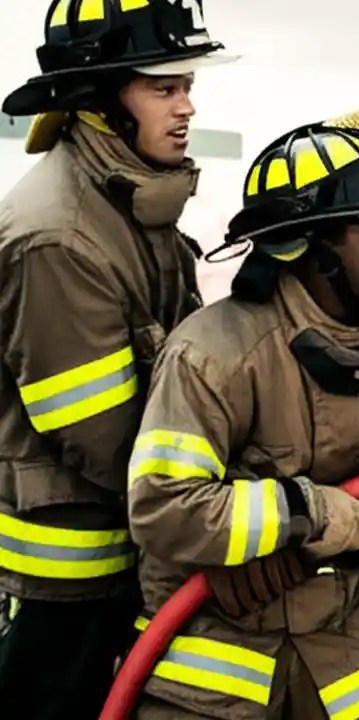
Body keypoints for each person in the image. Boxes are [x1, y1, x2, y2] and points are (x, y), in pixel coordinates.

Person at [125, 104, 359, 718]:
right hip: (215, 678)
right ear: (312, 250)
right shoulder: (213, 355)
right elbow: (161, 507)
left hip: (354, 667)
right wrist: (305, 514)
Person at [0, 1, 232, 716]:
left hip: (123, 555)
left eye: (188, 84)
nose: (187, 107)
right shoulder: (58, 239)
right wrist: (235, 503)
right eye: (164, 89)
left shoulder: (126, 197)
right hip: (64, 580)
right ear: (98, 98)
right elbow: (107, 439)